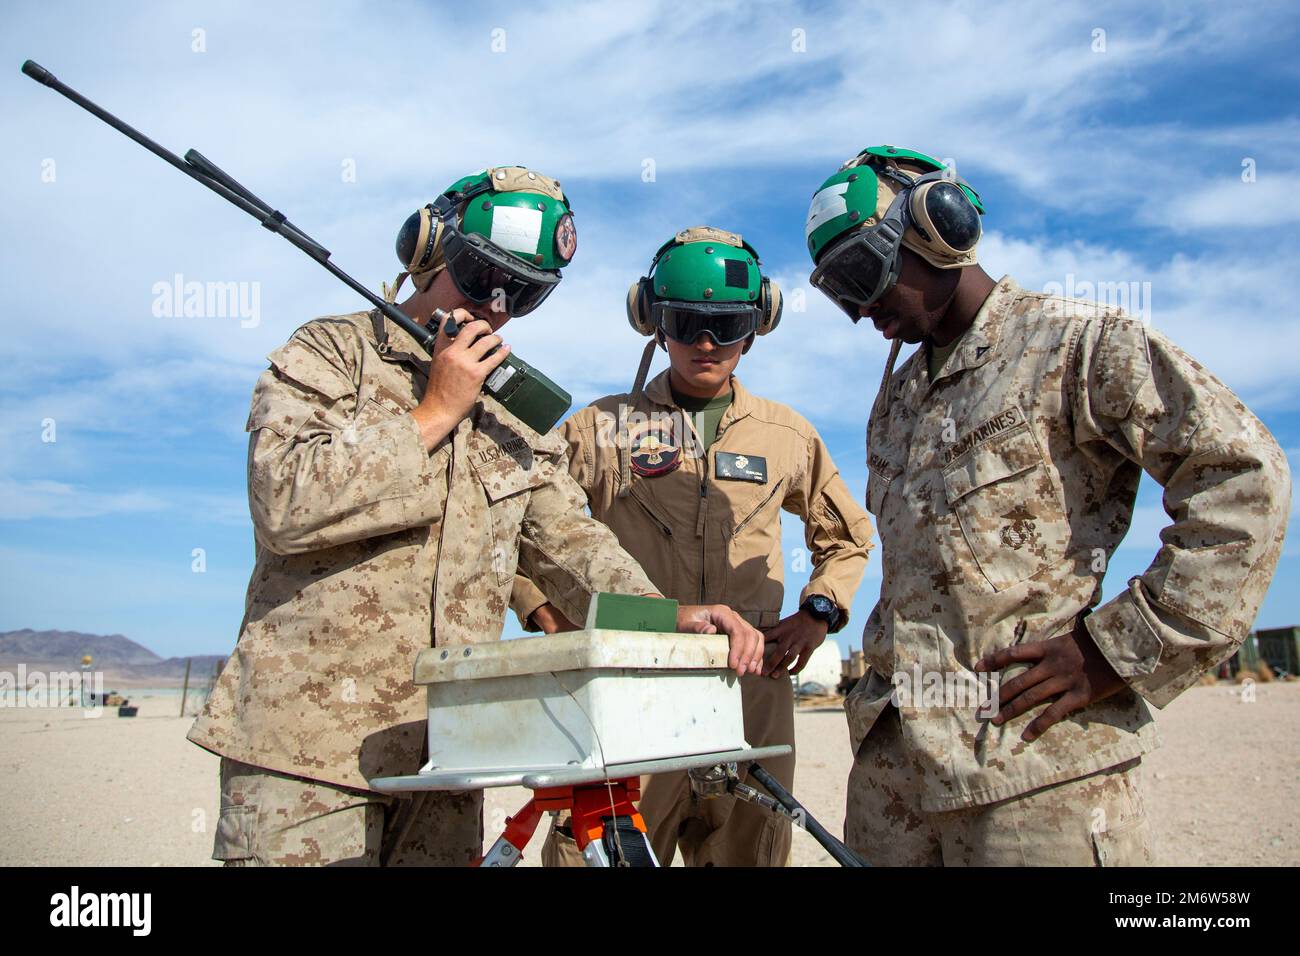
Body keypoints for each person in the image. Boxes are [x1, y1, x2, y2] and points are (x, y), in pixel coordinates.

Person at [187, 170, 766, 866]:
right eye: (480, 277)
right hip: (303, 755)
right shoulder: (332, 354)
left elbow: (573, 551)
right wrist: (434, 412)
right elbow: (285, 503)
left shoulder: (516, 415)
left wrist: (670, 615)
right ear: (428, 246)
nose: (495, 307)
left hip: (450, 758)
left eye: (522, 293)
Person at [805, 144, 1291, 865]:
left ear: (940, 227)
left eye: (862, 274)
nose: (859, 308)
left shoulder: (1078, 345)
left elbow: (1244, 479)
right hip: (895, 790)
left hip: (1034, 779)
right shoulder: (895, 401)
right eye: (837, 291)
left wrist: (1117, 650)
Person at [513, 226, 873, 866]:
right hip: (630, 688)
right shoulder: (601, 429)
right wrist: (543, 610)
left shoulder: (788, 435)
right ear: (651, 320)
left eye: (725, 326)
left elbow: (847, 537)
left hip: (753, 690)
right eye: (685, 323)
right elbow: (518, 520)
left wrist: (818, 614)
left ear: (758, 324)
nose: (705, 344)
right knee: (603, 851)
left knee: (750, 851)